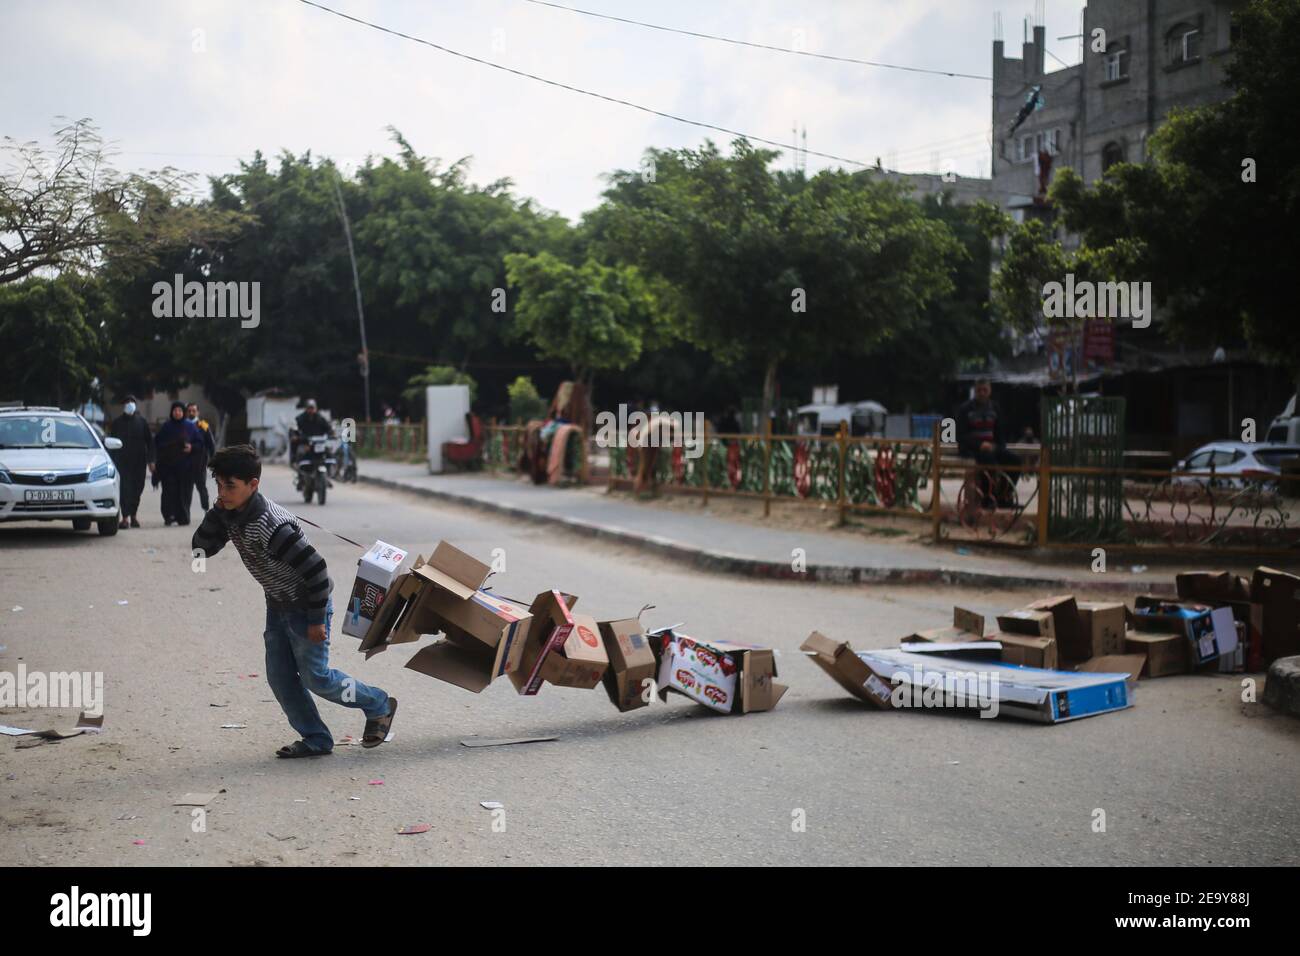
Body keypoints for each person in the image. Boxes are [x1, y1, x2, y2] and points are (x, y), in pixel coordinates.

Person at [192, 444, 397, 758]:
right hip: (277, 604)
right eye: (218, 485)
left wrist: (316, 621)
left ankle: (378, 704)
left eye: (230, 486)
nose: (223, 492)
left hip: (307, 604)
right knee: (280, 677)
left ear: (253, 485)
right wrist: (217, 511)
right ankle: (316, 739)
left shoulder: (272, 526)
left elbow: (317, 571)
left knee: (317, 678)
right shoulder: (230, 512)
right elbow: (201, 549)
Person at [955, 378, 1020, 507]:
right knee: (989, 462)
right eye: (979, 390)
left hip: (992, 447)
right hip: (973, 449)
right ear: (975, 391)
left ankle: (1004, 497)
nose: (982, 393)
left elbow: (1000, 432)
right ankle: (987, 498)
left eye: (985, 390)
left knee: (1015, 461)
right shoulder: (965, 409)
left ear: (989, 391)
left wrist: (997, 447)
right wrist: (979, 445)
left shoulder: (995, 408)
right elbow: (961, 436)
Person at [108, 396, 155, 529]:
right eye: (127, 402)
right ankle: (125, 518)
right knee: (124, 489)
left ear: (135, 405)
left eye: (132, 402)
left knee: (137, 489)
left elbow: (150, 442)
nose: (130, 404)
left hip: (139, 462)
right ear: (124, 405)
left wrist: (151, 461)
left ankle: (133, 515)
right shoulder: (117, 423)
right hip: (121, 462)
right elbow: (111, 443)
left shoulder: (142, 422)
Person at [153, 401, 201, 526]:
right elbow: (157, 443)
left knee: (185, 493)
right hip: (168, 467)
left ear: (183, 412)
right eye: (175, 410)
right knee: (169, 492)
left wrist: (191, 447)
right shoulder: (166, 427)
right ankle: (169, 516)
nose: (177, 413)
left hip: (186, 467)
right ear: (172, 412)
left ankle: (183, 516)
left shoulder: (190, 427)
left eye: (180, 410)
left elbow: (199, 444)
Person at [187, 403, 217, 511]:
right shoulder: (184, 425)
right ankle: (185, 515)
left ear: (197, 412)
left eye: (193, 410)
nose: (191, 413)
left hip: (200, 463)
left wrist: (214, 461)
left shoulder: (203, 425)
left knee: (202, 489)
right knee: (186, 490)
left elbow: (211, 444)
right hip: (186, 464)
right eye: (189, 410)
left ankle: (206, 510)